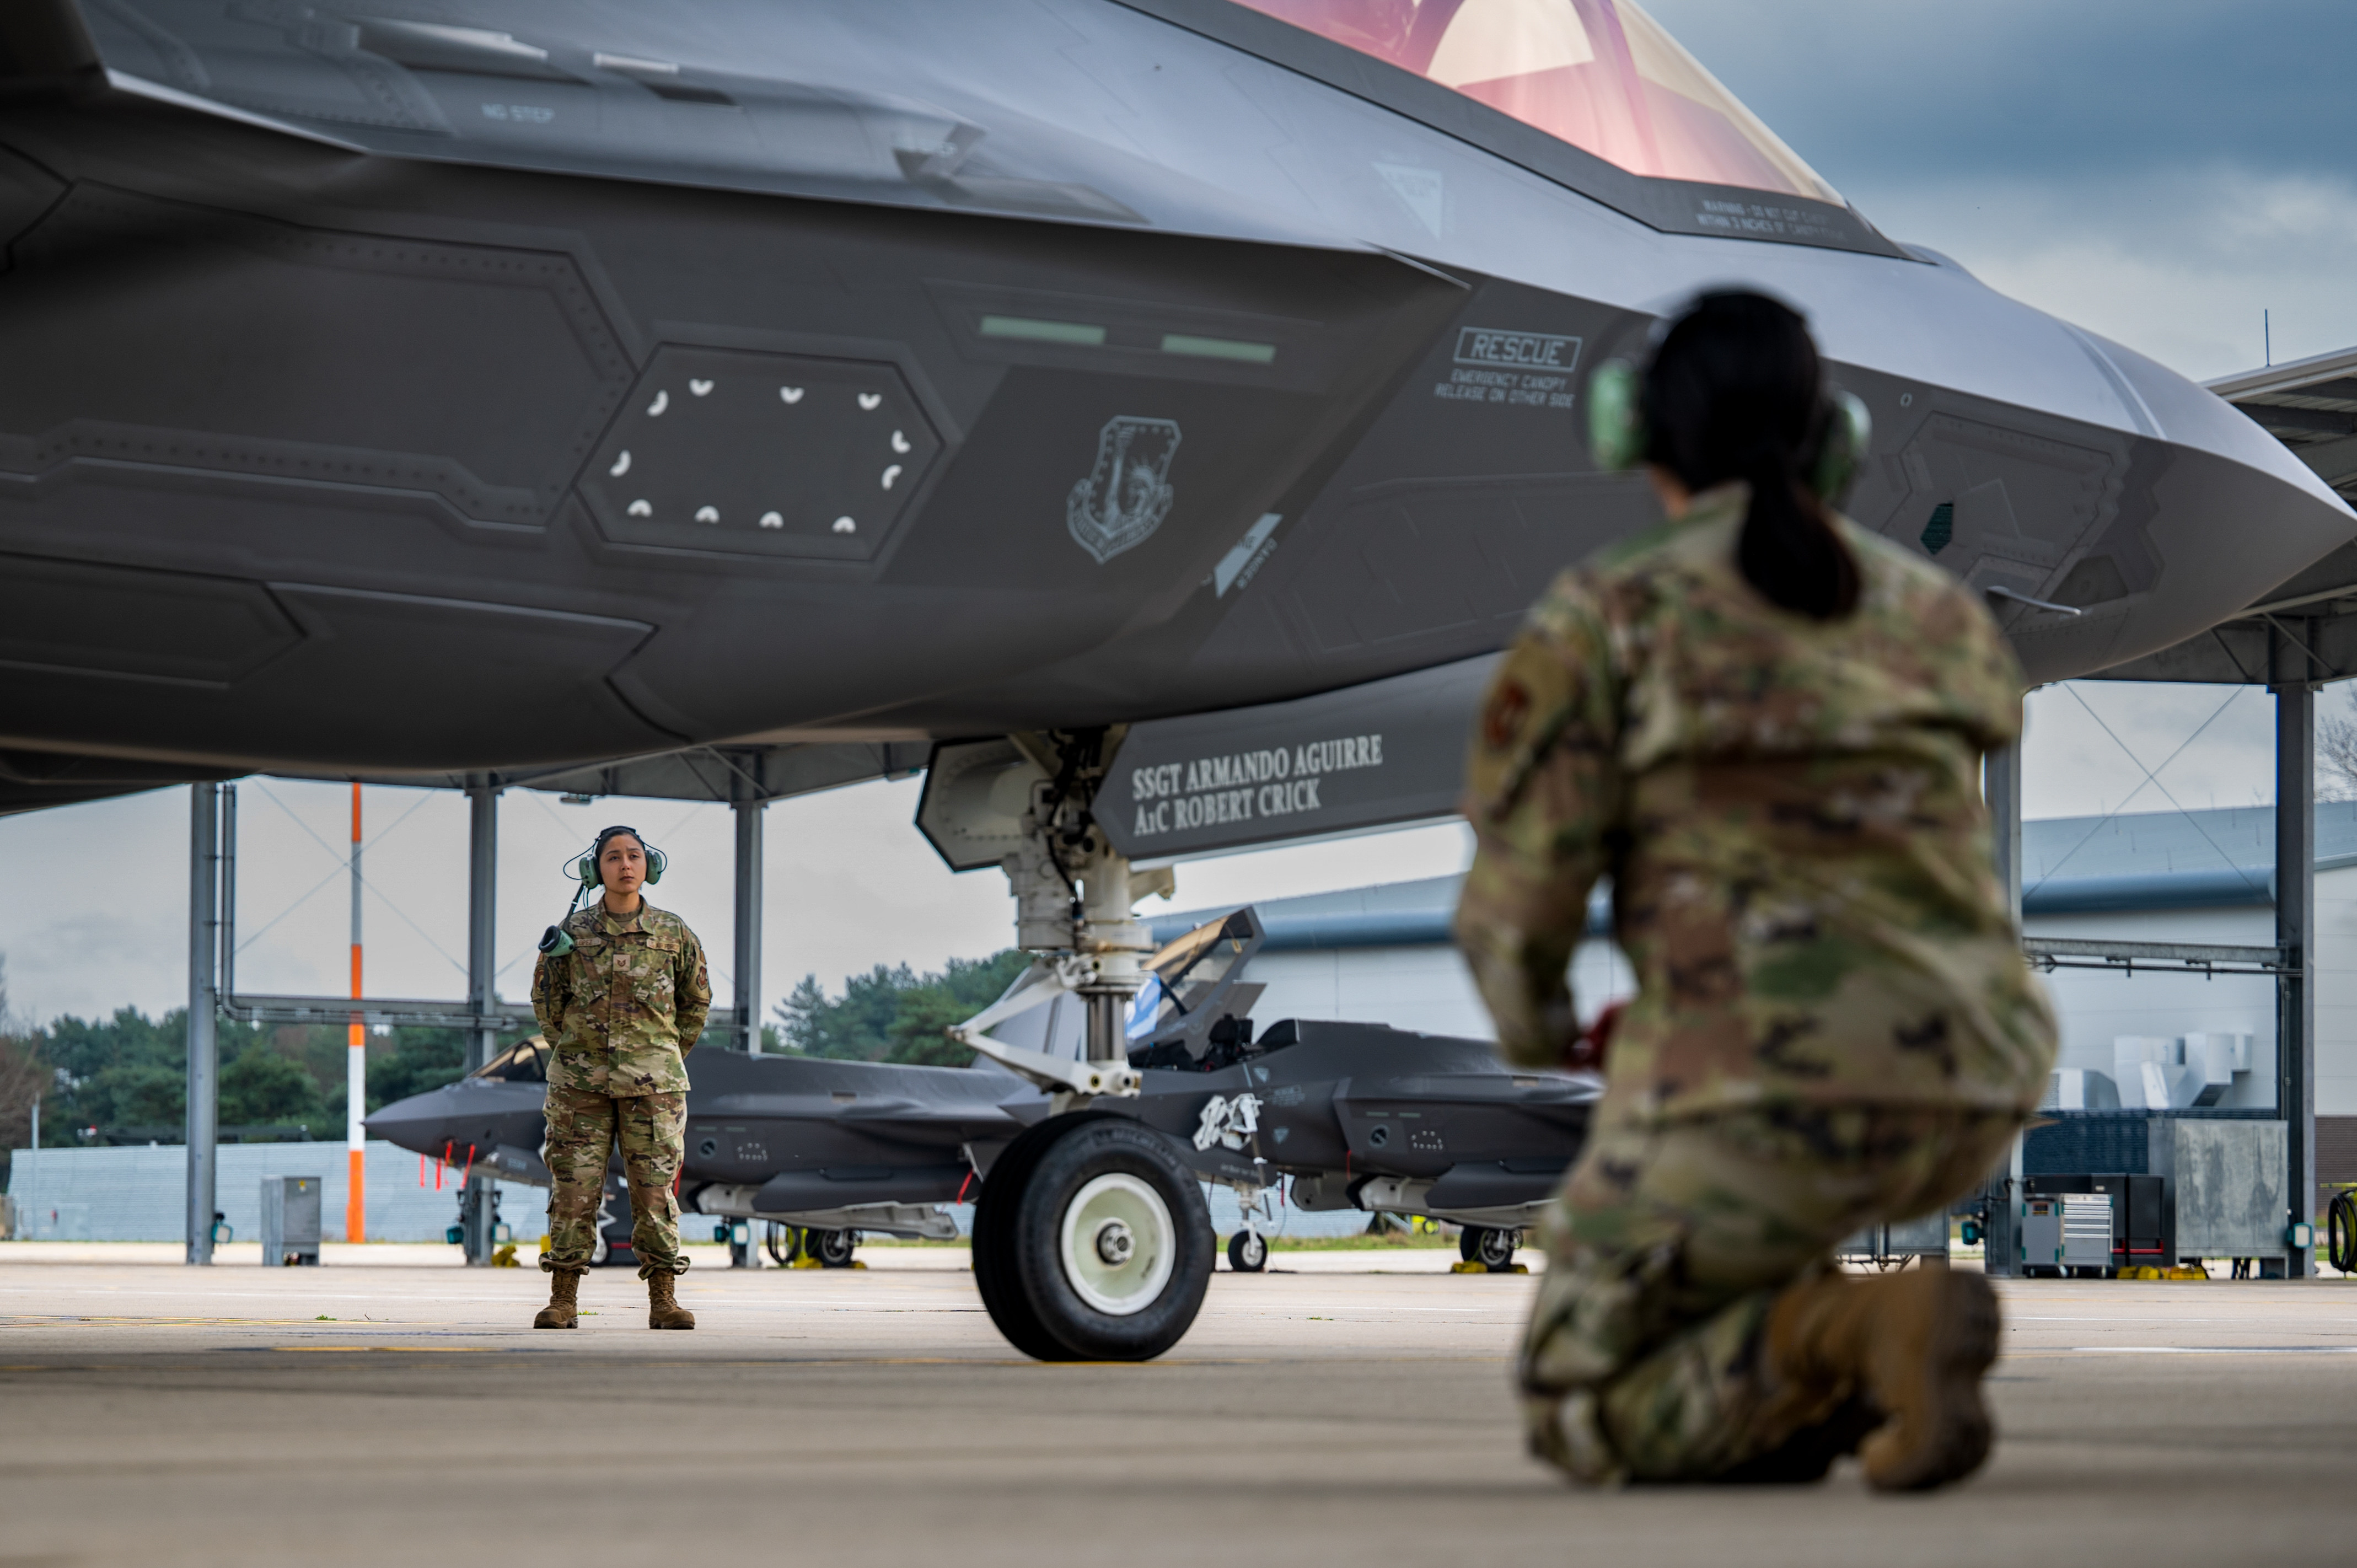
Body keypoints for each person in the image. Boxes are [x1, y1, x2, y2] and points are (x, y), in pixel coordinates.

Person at [1454, 291, 2056, 1491]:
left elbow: (1515, 911)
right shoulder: (1929, 612)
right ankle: (1819, 1369)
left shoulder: (1613, 610)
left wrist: (1553, 1038)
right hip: (1978, 1073)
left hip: (1768, 1081)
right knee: (1736, 1210)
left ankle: (1854, 1336)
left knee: (1580, 1391)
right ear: (1833, 436)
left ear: (1636, 434)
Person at [529, 825, 712, 1330]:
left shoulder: (674, 934)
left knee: (655, 1195)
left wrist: (664, 1055)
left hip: (654, 1090)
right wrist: (576, 1050)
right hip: (580, 1088)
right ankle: (563, 1300)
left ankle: (663, 1301)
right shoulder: (572, 933)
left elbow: (695, 1002)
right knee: (572, 1193)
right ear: (596, 869)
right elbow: (546, 999)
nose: (625, 865)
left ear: (649, 864)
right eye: (613, 857)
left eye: (634, 856)